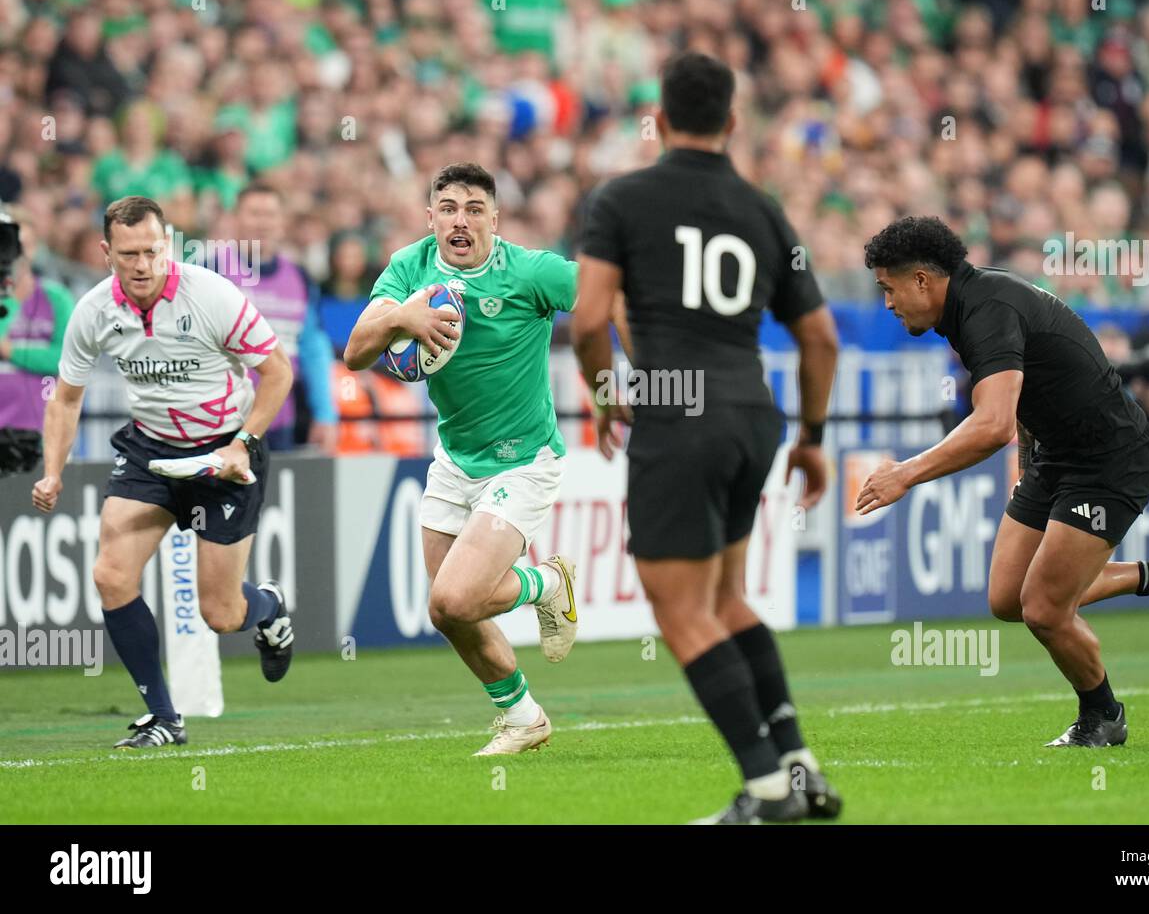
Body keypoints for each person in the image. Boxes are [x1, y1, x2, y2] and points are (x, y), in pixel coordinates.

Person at [573, 52, 843, 824]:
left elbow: (590, 320)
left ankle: (763, 788)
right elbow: (820, 338)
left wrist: (602, 393)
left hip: (676, 412)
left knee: (679, 607)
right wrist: (813, 437)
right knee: (726, 599)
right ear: (732, 123)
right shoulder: (764, 211)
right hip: (754, 414)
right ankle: (798, 767)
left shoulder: (621, 199)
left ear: (656, 121)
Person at [856, 215, 1149, 749]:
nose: (887, 303)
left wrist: (905, 474)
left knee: (1044, 608)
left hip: (1110, 458)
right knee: (1007, 598)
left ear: (923, 281)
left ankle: (1103, 717)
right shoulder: (970, 306)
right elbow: (1028, 394)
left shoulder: (986, 308)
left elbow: (992, 424)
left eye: (889, 288)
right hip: (1057, 457)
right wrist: (1029, 469)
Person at [31, 196, 297, 749]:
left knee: (221, 614)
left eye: (152, 250)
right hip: (151, 452)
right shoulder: (94, 310)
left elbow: (276, 372)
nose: (143, 264)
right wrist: (53, 472)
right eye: (129, 254)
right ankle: (163, 717)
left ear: (167, 244)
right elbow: (65, 398)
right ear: (107, 253)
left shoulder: (211, 295)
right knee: (109, 574)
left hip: (223, 455)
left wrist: (243, 443)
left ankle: (269, 607)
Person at [343, 163, 579, 757]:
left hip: (523, 459)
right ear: (431, 218)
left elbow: (604, 295)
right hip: (455, 459)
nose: (460, 220)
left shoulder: (531, 271)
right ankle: (524, 718)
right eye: (448, 207)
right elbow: (356, 353)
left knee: (452, 598)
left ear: (494, 220)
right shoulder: (409, 267)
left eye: (475, 209)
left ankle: (548, 582)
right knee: (451, 614)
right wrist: (403, 315)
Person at [211, 184, 339, 452]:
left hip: (280, 424)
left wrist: (325, 414)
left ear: (282, 222)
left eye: (270, 214)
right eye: (254, 213)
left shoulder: (300, 278)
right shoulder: (210, 271)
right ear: (235, 219)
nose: (263, 223)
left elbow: (313, 350)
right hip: (216, 425)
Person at [0, 210, 75, 433]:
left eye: (27, 244)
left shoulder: (57, 297)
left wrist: (9, 350)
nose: (20, 254)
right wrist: (12, 300)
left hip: (41, 428)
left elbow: (64, 359)